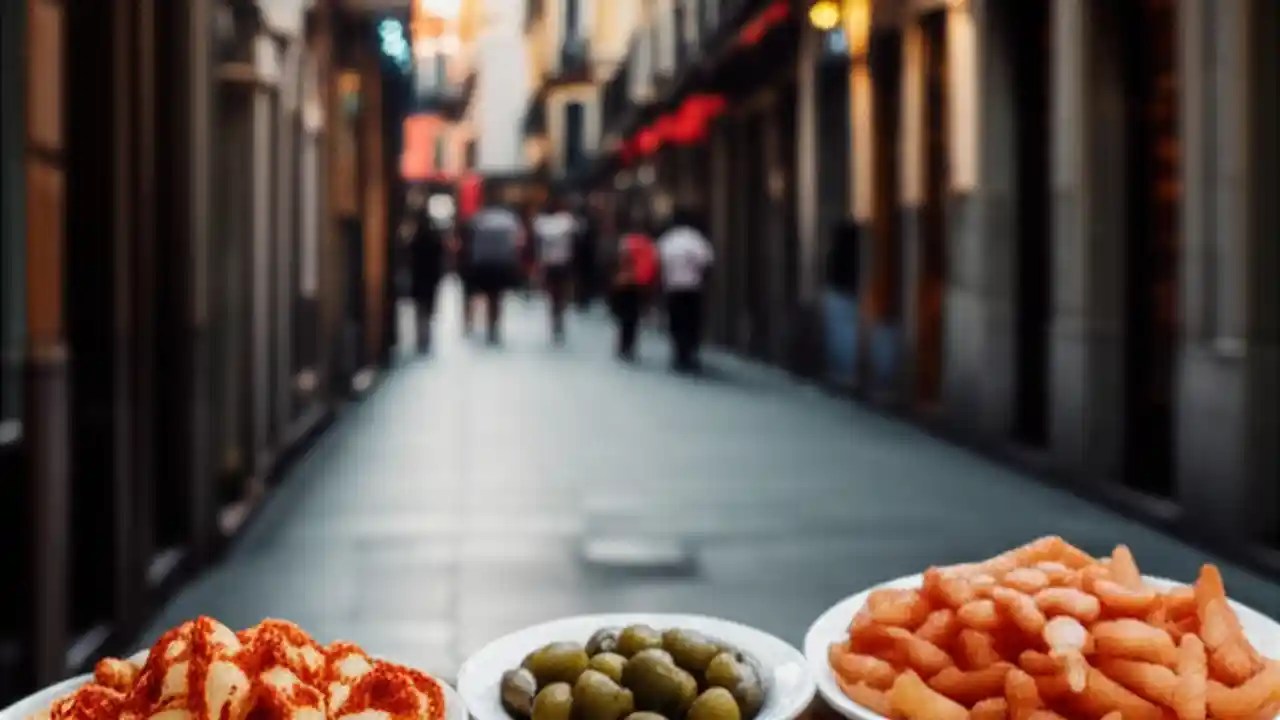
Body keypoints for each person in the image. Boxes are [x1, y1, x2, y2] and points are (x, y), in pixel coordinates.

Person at [657, 209, 713, 372]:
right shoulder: (696, 239)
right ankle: (690, 353)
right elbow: (707, 262)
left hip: (673, 287)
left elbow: (659, 261)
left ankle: (679, 353)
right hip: (693, 287)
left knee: (676, 321)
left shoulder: (668, 240)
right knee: (692, 322)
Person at [466, 203, 523, 344]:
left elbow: (470, 241)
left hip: (482, 264)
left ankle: (474, 323)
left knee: (480, 296)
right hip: (501, 264)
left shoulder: (479, 219)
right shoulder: (509, 220)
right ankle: (493, 326)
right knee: (496, 298)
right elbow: (516, 243)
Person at [610, 223, 658, 361]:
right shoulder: (647, 244)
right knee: (633, 317)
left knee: (624, 317)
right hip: (639, 284)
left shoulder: (626, 242)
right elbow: (652, 264)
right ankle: (629, 346)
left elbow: (620, 260)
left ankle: (624, 345)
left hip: (625, 283)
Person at [532, 200, 577, 343]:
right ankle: (559, 319)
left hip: (549, 264)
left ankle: (555, 318)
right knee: (561, 294)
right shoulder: (567, 221)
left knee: (553, 295)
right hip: (563, 264)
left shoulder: (541, 223)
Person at [405, 195, 445, 353]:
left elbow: (409, 254)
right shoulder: (434, 237)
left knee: (420, 308)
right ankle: (425, 337)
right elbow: (440, 256)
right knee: (427, 308)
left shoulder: (415, 238)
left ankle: (421, 338)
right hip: (430, 276)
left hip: (419, 275)